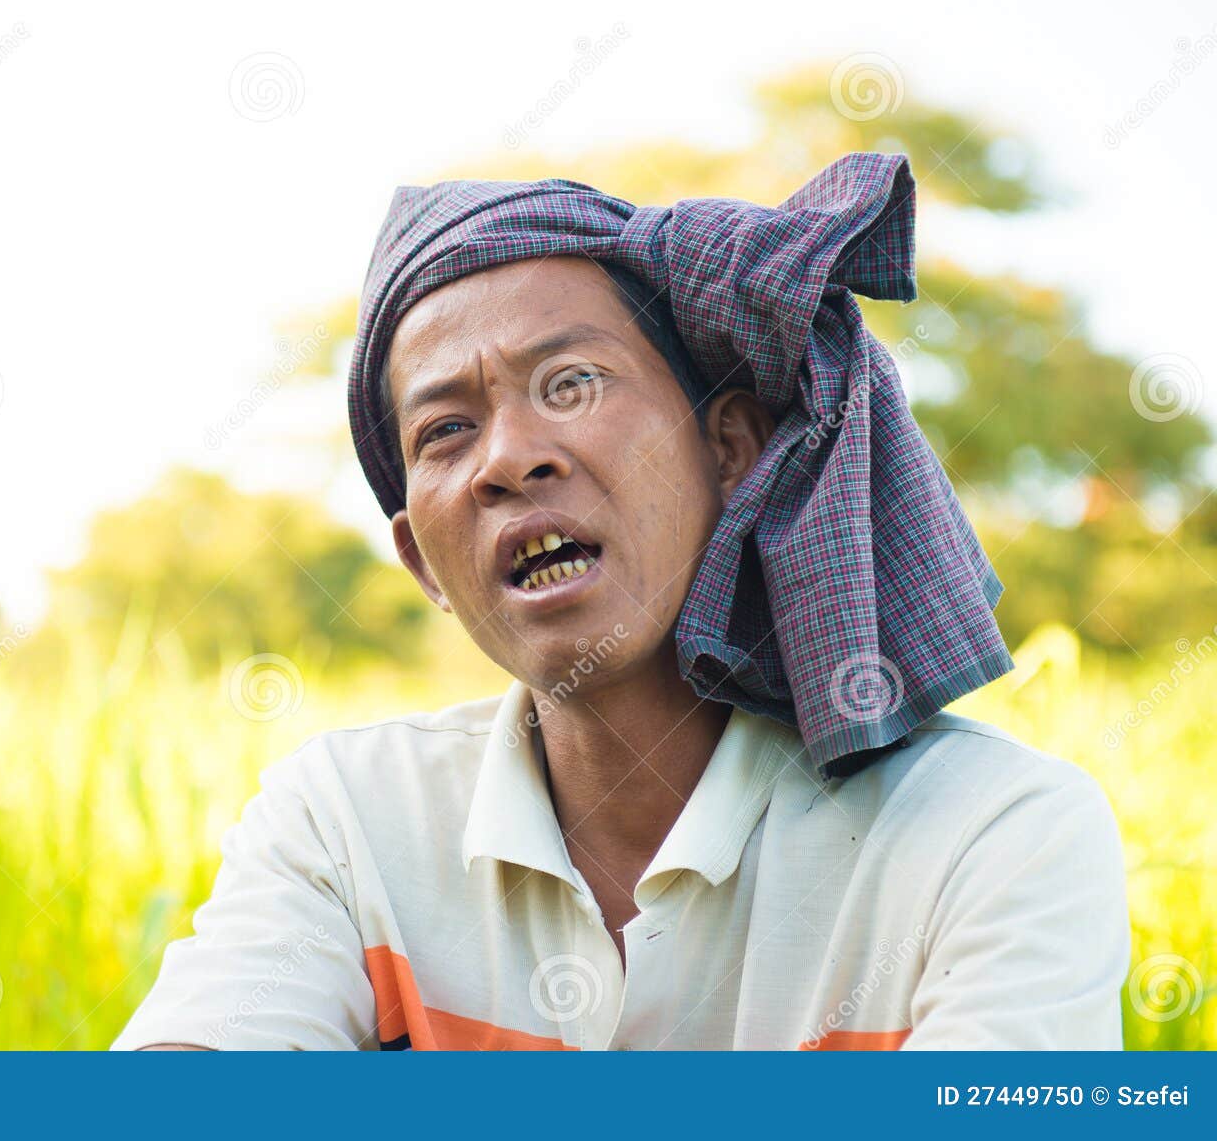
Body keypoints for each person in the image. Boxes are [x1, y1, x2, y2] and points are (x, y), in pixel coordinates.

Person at [114, 154, 1129, 1051]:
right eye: (444, 432)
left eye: (571, 381)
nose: (509, 459)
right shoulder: (345, 821)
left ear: (730, 450)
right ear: (422, 560)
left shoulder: (991, 838)